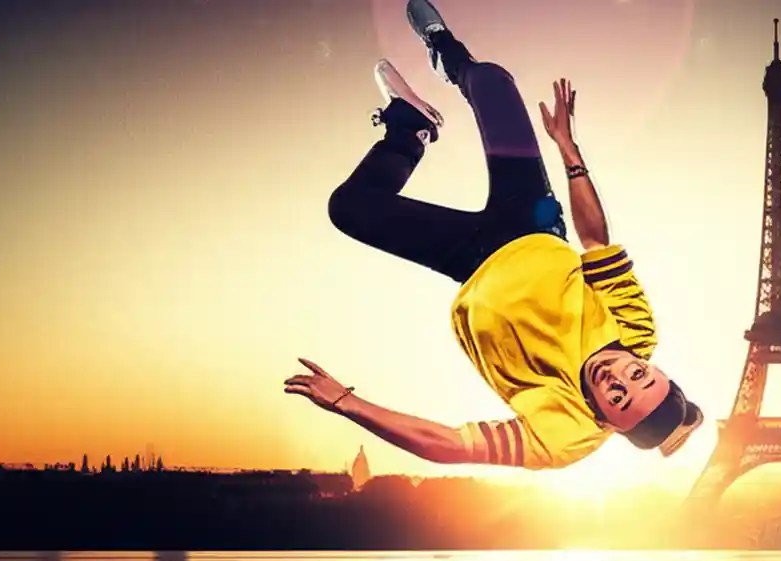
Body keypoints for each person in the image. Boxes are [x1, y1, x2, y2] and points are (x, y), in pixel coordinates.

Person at [285, 0, 702, 469]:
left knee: (350, 209)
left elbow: (450, 445)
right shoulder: (637, 328)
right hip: (530, 222)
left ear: (607, 421)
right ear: (652, 364)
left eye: (618, 398)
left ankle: (409, 127)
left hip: (473, 263)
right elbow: (595, 242)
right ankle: (444, 50)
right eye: (639, 373)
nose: (617, 376)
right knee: (493, 83)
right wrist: (568, 150)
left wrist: (347, 403)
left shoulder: (563, 438)